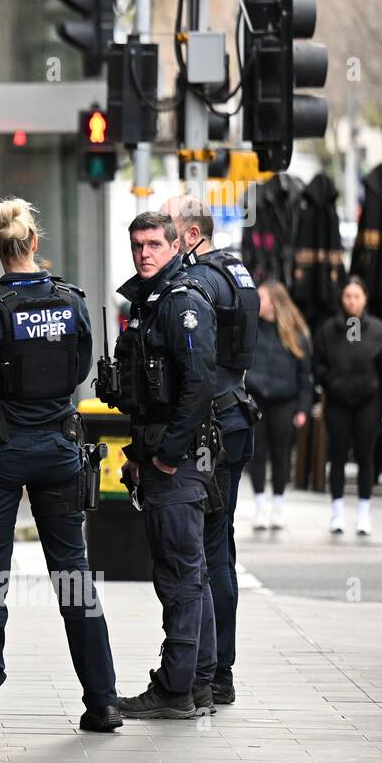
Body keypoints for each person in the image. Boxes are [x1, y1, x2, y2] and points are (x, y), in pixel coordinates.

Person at [0, 199, 119, 733]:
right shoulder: (72, 300)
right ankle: (103, 701)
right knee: (74, 578)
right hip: (60, 449)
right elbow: (81, 366)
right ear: (34, 242)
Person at [102, 211, 218, 720]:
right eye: (137, 245)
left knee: (179, 574)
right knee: (191, 573)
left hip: (176, 460)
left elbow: (198, 384)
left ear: (175, 246)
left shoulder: (181, 303)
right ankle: (199, 682)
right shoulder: (152, 301)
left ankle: (175, 689)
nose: (144, 253)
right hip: (161, 453)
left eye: (153, 244)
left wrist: (169, 456)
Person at [162, 195, 260, 709]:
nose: (164, 241)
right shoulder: (239, 272)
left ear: (192, 236)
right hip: (238, 414)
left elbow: (196, 364)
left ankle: (212, 672)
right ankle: (218, 669)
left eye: (170, 232)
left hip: (214, 425)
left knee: (206, 550)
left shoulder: (200, 281)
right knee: (220, 546)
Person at [313, 276, 382, 536]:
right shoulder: (329, 330)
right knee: (337, 455)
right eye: (347, 296)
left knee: (365, 455)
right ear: (342, 298)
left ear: (365, 299)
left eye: (357, 296)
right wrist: (329, 381)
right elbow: (317, 363)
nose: (352, 301)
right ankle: (337, 512)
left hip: (368, 402)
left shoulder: (379, 331)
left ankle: (364, 512)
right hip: (338, 401)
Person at [245, 282, 314, 531]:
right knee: (257, 453)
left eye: (261, 298)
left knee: (280, 453)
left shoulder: (296, 334)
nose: (257, 302)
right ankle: (260, 505)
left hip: (285, 401)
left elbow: (305, 376)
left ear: (274, 302)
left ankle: (278, 504)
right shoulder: (251, 329)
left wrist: (303, 409)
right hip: (256, 399)